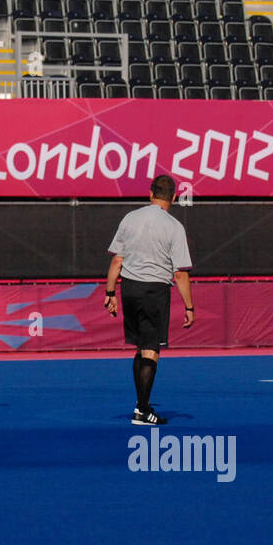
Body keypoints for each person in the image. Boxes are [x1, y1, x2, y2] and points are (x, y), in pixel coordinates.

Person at [104, 175, 195, 426]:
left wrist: (110, 293)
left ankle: (140, 405)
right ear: (174, 197)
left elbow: (117, 260)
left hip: (129, 288)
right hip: (154, 290)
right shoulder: (174, 226)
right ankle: (142, 410)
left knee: (139, 347)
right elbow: (179, 272)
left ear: (150, 193)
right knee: (151, 350)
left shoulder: (130, 218)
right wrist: (189, 306)